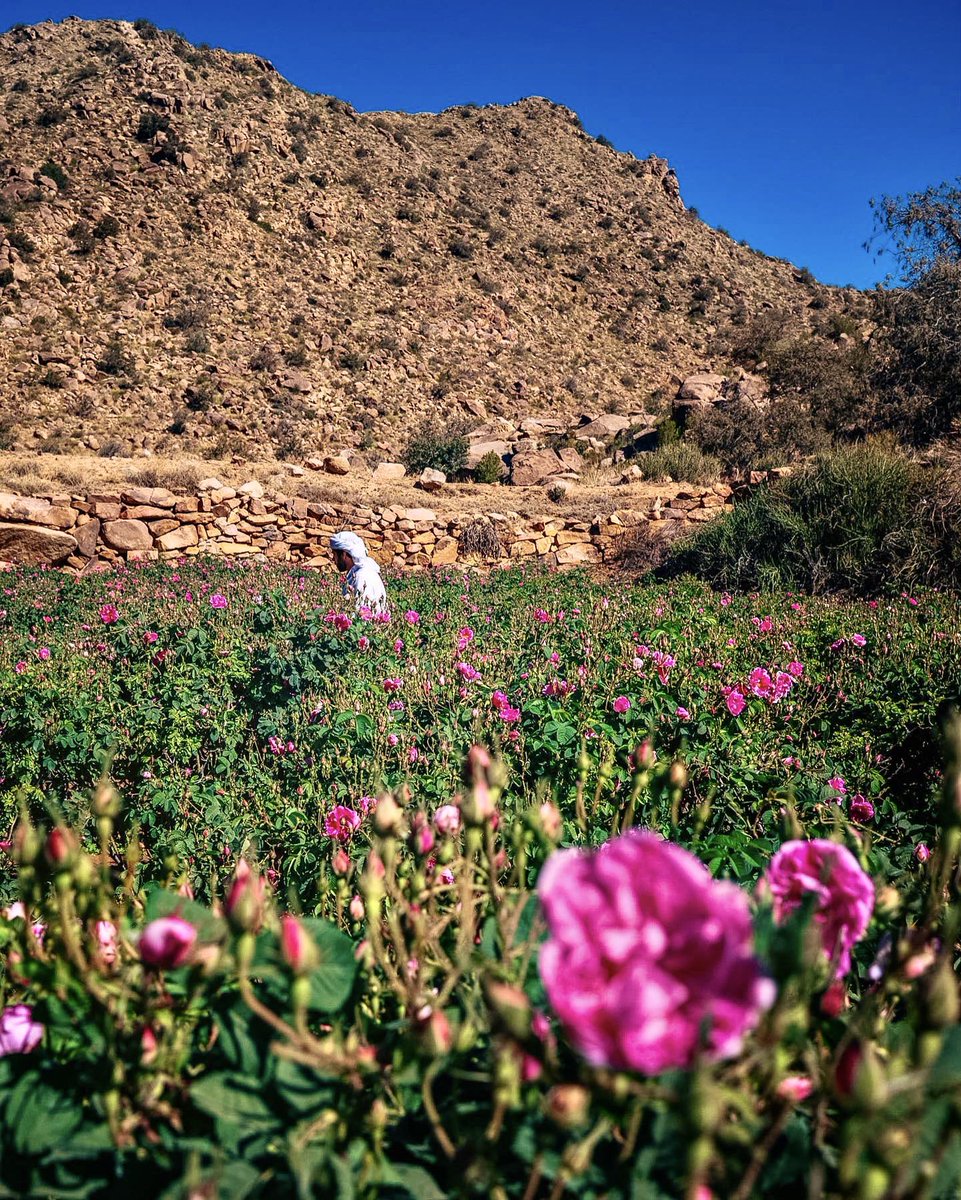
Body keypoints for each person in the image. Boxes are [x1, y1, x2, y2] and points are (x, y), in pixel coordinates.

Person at [330, 531, 388, 615]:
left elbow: (361, 616)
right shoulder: (360, 573)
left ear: (344, 554)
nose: (333, 559)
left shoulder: (361, 577)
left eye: (334, 554)